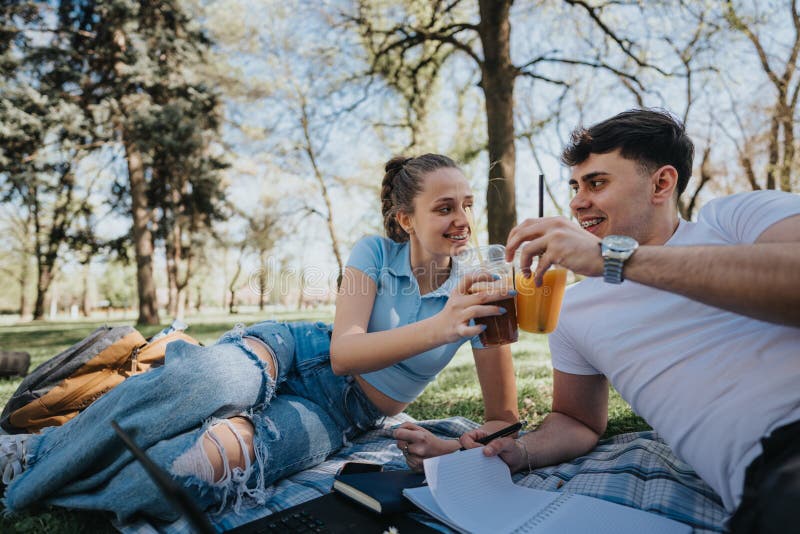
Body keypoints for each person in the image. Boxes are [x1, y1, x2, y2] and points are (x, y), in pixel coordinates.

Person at [0, 154, 519, 522]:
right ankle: (29, 458)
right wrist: (441, 324)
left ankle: (52, 470)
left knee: (179, 473)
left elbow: (504, 419)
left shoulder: (481, 293)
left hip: (342, 414)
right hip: (293, 350)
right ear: (406, 219)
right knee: (201, 381)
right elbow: (343, 352)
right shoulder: (373, 254)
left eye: (468, 205)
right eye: (445, 207)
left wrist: (449, 446)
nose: (464, 221)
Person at [460, 109, 800, 534]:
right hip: (773, 478)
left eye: (597, 183)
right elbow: (578, 422)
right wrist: (519, 451)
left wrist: (615, 259)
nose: (578, 201)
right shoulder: (572, 308)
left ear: (662, 183)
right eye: (575, 186)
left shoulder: (735, 218)